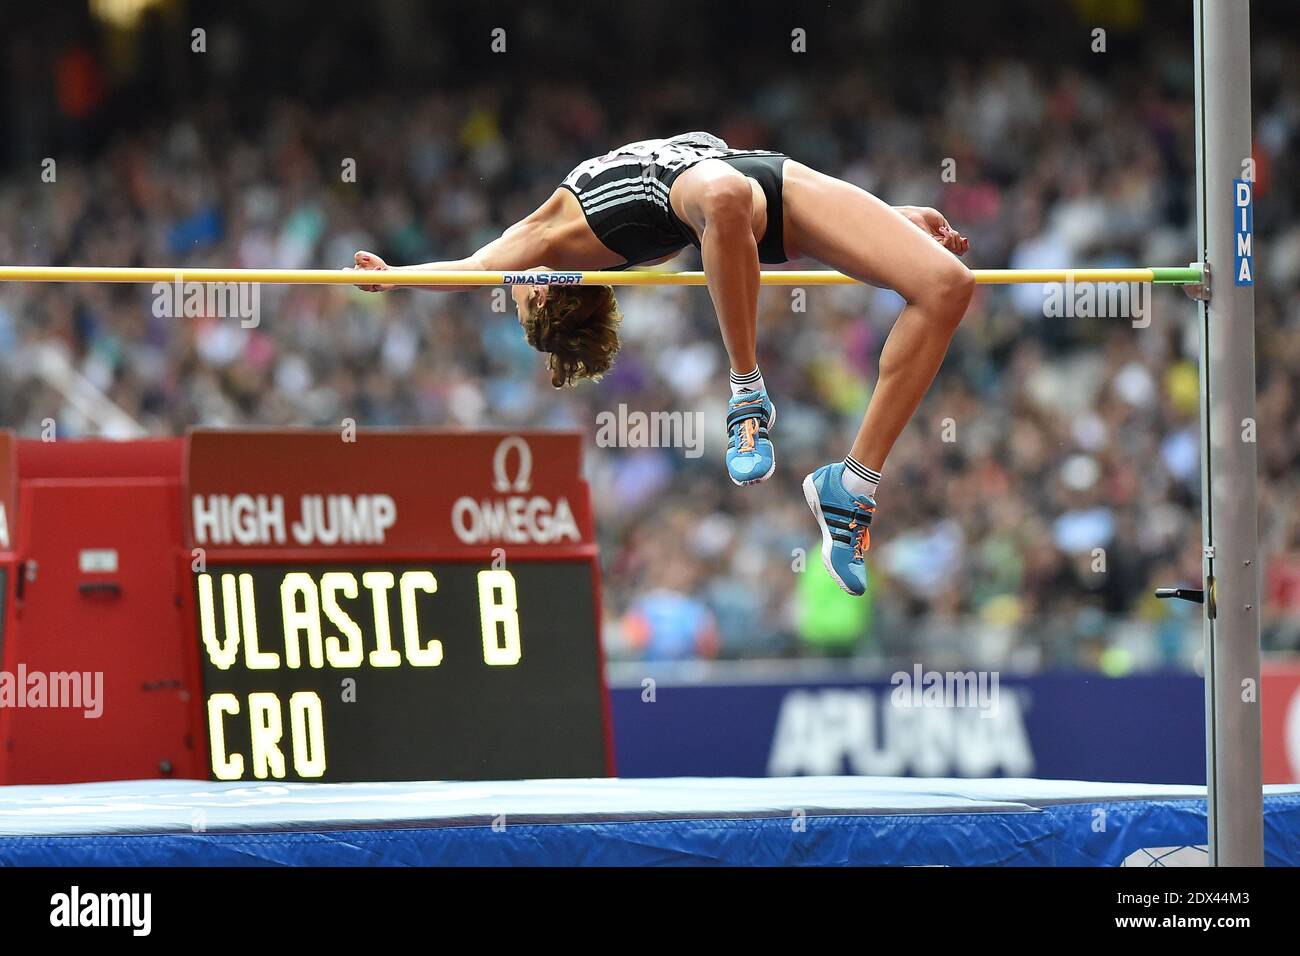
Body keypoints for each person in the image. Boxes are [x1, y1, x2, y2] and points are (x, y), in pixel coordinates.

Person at [352, 131, 973, 596]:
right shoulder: (544, 244)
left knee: (948, 285)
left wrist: (888, 222)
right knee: (724, 195)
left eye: (516, 303)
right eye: (516, 303)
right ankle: (747, 393)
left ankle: (851, 485)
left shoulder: (539, 240)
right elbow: (468, 273)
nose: (509, 290)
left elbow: (468, 269)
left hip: (756, 182)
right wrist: (399, 280)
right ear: (545, 290)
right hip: (723, 197)